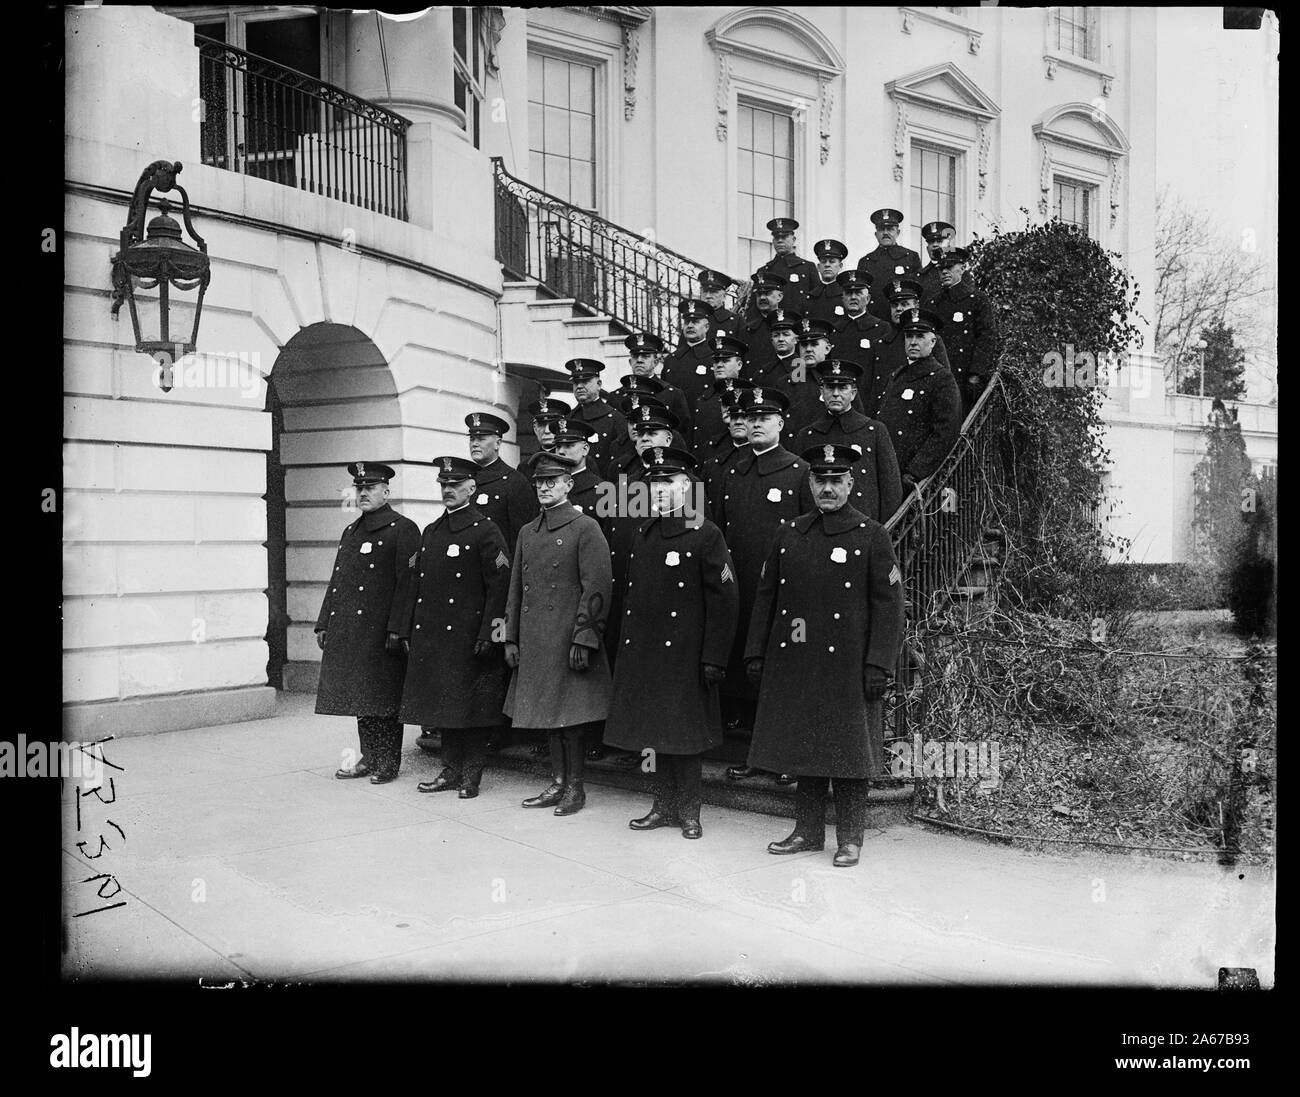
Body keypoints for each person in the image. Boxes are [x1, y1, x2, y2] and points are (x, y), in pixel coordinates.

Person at [745, 444, 905, 867]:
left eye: (836, 480)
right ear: (810, 483)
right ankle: (807, 831)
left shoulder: (872, 534)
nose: (828, 488)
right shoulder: (790, 532)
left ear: (851, 484)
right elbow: (767, 597)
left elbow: (890, 607)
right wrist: (756, 652)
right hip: (798, 662)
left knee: (850, 755)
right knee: (805, 748)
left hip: (849, 667)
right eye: (821, 480)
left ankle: (850, 839)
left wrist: (878, 663)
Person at [604, 447, 740, 839]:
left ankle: (691, 812)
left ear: (686, 487)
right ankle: (662, 806)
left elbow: (725, 598)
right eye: (654, 484)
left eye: (668, 483)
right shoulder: (644, 532)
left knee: (686, 738)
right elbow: (634, 598)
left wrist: (714, 656)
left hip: (687, 654)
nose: (660, 490)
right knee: (654, 733)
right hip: (647, 653)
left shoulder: (705, 533)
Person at [504, 451, 613, 816]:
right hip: (536, 639)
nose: (545, 488)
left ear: (569, 484)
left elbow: (596, 587)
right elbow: (516, 589)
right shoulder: (527, 532)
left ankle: (575, 787)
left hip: (568, 640)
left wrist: (585, 637)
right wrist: (511, 637)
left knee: (571, 718)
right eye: (539, 482)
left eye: (553, 481)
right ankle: (557, 782)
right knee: (548, 716)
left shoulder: (585, 527)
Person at [715, 386, 813, 785]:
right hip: (740, 588)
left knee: (784, 675)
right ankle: (755, 754)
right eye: (750, 417)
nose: (755, 423)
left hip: (782, 591)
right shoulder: (733, 471)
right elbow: (720, 533)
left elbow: (810, 534)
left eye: (764, 417)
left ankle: (788, 756)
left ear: (780, 423)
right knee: (747, 671)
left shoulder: (798, 470)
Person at [399, 456, 511, 799]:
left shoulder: (486, 531)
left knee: (473, 710)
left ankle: (471, 775)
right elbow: (417, 585)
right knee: (444, 706)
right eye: (444, 485)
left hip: (472, 639)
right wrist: (410, 631)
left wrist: (491, 636)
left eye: (455, 485)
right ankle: (449, 770)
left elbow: (501, 586)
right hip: (435, 639)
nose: (448, 490)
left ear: (471, 488)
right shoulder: (432, 531)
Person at [315, 462, 421, 784]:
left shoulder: (404, 529)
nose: (363, 493)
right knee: (361, 695)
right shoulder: (351, 531)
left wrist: (398, 628)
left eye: (370, 488)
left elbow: (409, 583)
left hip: (383, 631)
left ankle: (388, 761)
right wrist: (324, 623)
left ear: (386, 492)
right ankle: (369, 756)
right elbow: (338, 581)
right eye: (359, 487)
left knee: (385, 697)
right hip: (352, 630)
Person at [869, 307, 963, 499]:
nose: (913, 342)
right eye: (909, 336)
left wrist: (916, 471)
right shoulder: (897, 375)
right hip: (889, 469)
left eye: (920, 336)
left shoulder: (941, 378)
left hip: (913, 476)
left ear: (933, 341)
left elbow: (946, 431)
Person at [795, 359, 903, 522]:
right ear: (822, 391)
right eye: (830, 388)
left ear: (853, 393)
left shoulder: (874, 431)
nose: (836, 394)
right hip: (816, 527)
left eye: (843, 388)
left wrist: (885, 530)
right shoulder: (807, 435)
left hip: (864, 526)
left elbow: (891, 490)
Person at [927, 248, 1000, 418]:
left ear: (962, 268)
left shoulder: (977, 299)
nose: (944, 272)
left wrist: (976, 373)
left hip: (965, 376)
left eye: (950, 267)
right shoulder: (932, 303)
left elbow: (987, 337)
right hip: (938, 376)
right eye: (941, 268)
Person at [462, 412, 539, 556]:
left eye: (481, 439)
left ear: (498, 443)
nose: (475, 444)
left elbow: (521, 538)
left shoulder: (515, 482)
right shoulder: (465, 480)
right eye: (472, 439)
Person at [622, 332, 694, 443]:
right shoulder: (618, 395)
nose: (639, 360)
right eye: (635, 356)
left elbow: (683, 432)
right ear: (630, 362)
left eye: (646, 356)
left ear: (656, 362)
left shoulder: (672, 394)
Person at [565, 358, 630, 476]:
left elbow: (624, 464)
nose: (579, 386)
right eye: (575, 382)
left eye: (585, 381)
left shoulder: (616, 419)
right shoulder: (568, 419)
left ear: (599, 384)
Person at [829, 270, 891, 392]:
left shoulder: (882, 328)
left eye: (858, 293)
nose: (853, 297)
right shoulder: (833, 330)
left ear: (867, 299)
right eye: (848, 293)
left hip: (868, 395)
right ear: (842, 298)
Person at [856, 208, 922, 319]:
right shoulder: (866, 262)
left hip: (902, 318)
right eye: (882, 229)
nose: (885, 233)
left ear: (898, 232)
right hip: (875, 319)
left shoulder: (910, 257)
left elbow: (918, 292)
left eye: (890, 229)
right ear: (876, 234)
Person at [662, 299, 717, 417]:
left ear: (706, 327)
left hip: (704, 422)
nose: (690, 326)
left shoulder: (715, 358)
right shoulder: (671, 360)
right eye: (687, 322)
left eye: (695, 322)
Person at [756, 217, 818, 314]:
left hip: (800, 324)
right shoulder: (764, 271)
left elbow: (816, 300)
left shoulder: (807, 267)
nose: (780, 241)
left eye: (784, 237)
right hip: (771, 324)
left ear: (793, 239)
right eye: (776, 238)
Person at [741, 272, 786, 377]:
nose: (762, 297)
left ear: (779, 297)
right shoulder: (747, 330)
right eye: (759, 294)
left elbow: (799, 361)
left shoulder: (792, 327)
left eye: (767, 293)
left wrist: (799, 387)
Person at [803, 238, 850, 324]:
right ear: (818, 267)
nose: (827, 265)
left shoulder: (846, 295)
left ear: (840, 266)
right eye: (823, 262)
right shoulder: (809, 297)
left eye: (832, 262)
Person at [917, 220, 956, 305]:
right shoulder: (920, 277)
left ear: (948, 247)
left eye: (939, 241)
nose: (935, 245)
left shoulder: (959, 273)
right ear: (927, 249)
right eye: (931, 242)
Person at [697, 268, 742, 338]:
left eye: (713, 291)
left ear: (724, 296)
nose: (708, 296)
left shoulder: (736, 321)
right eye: (705, 291)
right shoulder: (693, 320)